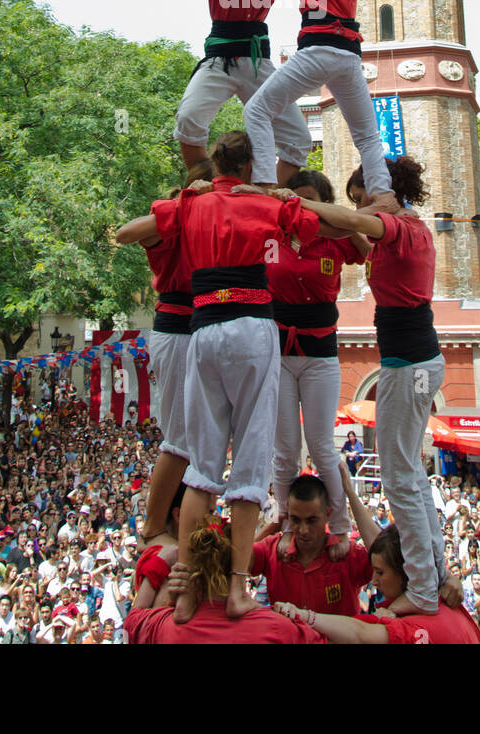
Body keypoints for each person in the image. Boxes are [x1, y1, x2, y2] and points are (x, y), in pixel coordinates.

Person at [114, 129, 320, 622]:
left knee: (201, 467)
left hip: (204, 329)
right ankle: (237, 590)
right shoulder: (264, 203)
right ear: (250, 167)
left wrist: (191, 197)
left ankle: (185, 587)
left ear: (216, 164)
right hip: (252, 329)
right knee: (248, 466)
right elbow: (311, 226)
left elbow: (128, 231)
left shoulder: (191, 205)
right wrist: (277, 196)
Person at [291, 155, 455, 617]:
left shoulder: (400, 228)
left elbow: (349, 223)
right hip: (417, 361)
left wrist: (294, 200)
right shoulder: (407, 229)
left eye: (363, 199)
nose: (360, 209)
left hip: (409, 365)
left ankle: (422, 588)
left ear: (382, 193)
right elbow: (349, 231)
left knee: (401, 478)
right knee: (411, 475)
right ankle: (435, 574)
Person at [216, 0, 393, 195]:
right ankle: (382, 194)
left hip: (319, 50)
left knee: (257, 110)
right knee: (367, 136)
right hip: (350, 56)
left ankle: (264, 183)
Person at [269, 168, 369, 547]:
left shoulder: (336, 242)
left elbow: (369, 250)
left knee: (322, 445)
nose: (303, 208)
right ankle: (283, 522)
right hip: (276, 353)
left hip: (320, 355)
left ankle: (340, 528)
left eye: (311, 200)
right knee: (285, 449)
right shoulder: (271, 236)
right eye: (297, 199)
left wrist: (333, 220)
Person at [172, 0, 308, 177]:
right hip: (220, 59)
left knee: (299, 139)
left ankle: (265, 199)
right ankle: (205, 190)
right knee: (189, 118)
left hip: (257, 61)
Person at [118, 163, 210, 545]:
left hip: (208, 327)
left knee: (205, 439)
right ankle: (152, 526)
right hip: (175, 329)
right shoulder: (170, 219)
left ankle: (189, 523)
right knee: (178, 436)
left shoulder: (215, 222)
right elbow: (125, 233)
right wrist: (184, 206)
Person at [123, 514, 324, 645]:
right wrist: (305, 616)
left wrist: (162, 561)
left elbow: (132, 621)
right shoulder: (277, 628)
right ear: (240, 568)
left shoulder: (165, 627)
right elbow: (351, 635)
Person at [274, 526, 480, 644]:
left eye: (381, 572)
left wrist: (302, 615)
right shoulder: (445, 597)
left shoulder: (414, 628)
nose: (373, 580)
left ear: (406, 572)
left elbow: (360, 634)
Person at [251, 472, 373, 618]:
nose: (303, 530)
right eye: (295, 519)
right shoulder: (273, 550)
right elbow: (236, 558)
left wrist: (351, 494)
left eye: (312, 520)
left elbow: (388, 556)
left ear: (328, 514)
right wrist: (274, 524)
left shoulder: (348, 554)